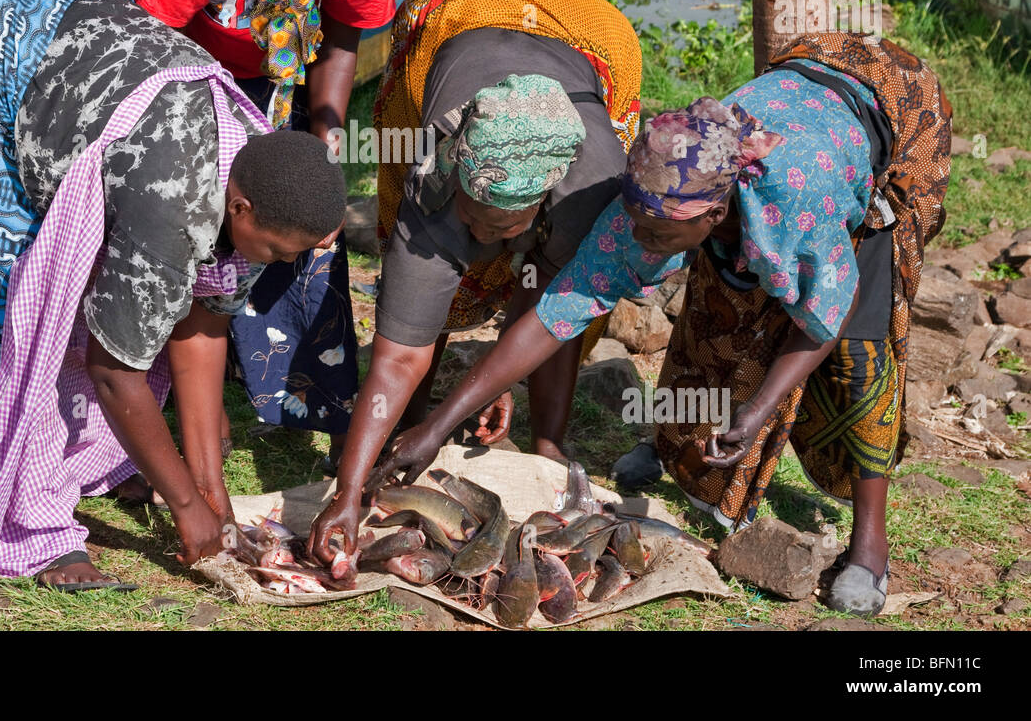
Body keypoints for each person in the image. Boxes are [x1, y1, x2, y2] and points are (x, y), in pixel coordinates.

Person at [365, 31, 951, 618]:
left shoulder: (798, 200)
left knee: (860, 352)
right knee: (714, 323)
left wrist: (761, 405)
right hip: (794, 93)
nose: (640, 242)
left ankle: (869, 543)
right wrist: (439, 424)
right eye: (637, 225)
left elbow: (829, 311)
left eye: (658, 236)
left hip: (882, 117)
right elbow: (553, 315)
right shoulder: (652, 207)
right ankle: (679, 449)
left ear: (716, 214)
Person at [0, 0, 347, 588]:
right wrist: (186, 508)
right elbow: (116, 371)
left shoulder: (257, 166)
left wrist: (212, 496)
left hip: (60, 13)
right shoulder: (175, 203)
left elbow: (202, 325)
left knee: (101, 302)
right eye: (281, 252)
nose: (281, 265)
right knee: (9, 291)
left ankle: (82, 464)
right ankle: (33, 524)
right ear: (240, 207)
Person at [308, 0, 643, 563]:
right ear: (455, 178)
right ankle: (398, 436)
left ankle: (547, 446)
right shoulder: (431, 171)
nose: (483, 235)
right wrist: (347, 491)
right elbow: (398, 352)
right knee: (421, 307)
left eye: (504, 227)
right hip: (460, 25)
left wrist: (494, 378)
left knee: (556, 285)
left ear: (545, 202)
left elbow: (550, 308)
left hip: (590, 35)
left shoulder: (592, 191)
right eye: (474, 217)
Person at [100, 0, 394, 459]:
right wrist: (205, 146)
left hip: (286, 81)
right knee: (192, 232)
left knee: (299, 231)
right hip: (181, 79)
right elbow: (146, 52)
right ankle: (166, 383)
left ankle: (289, 396)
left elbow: (345, 29)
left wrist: (326, 127)